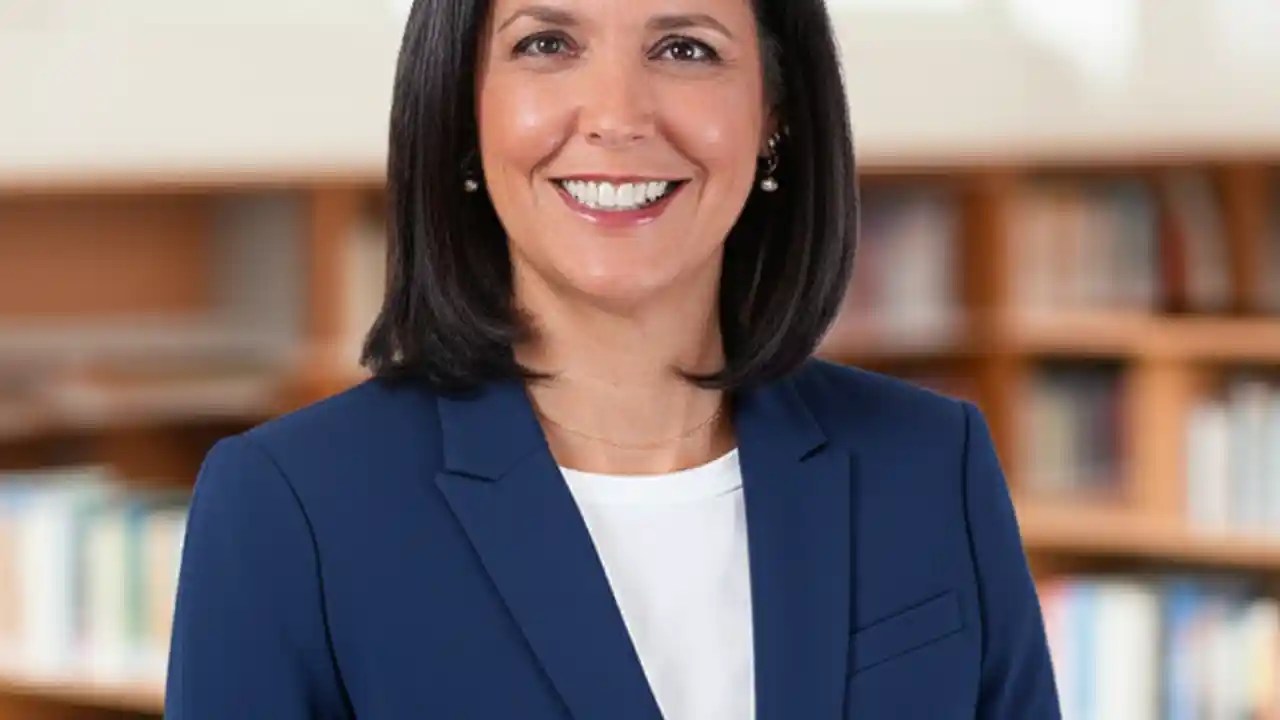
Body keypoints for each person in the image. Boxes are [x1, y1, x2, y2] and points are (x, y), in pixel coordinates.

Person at [165, 0, 1061, 717]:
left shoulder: (929, 464)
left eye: (685, 49)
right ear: (463, 108)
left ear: (773, 116)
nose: (618, 117)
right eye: (548, 42)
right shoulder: (292, 507)